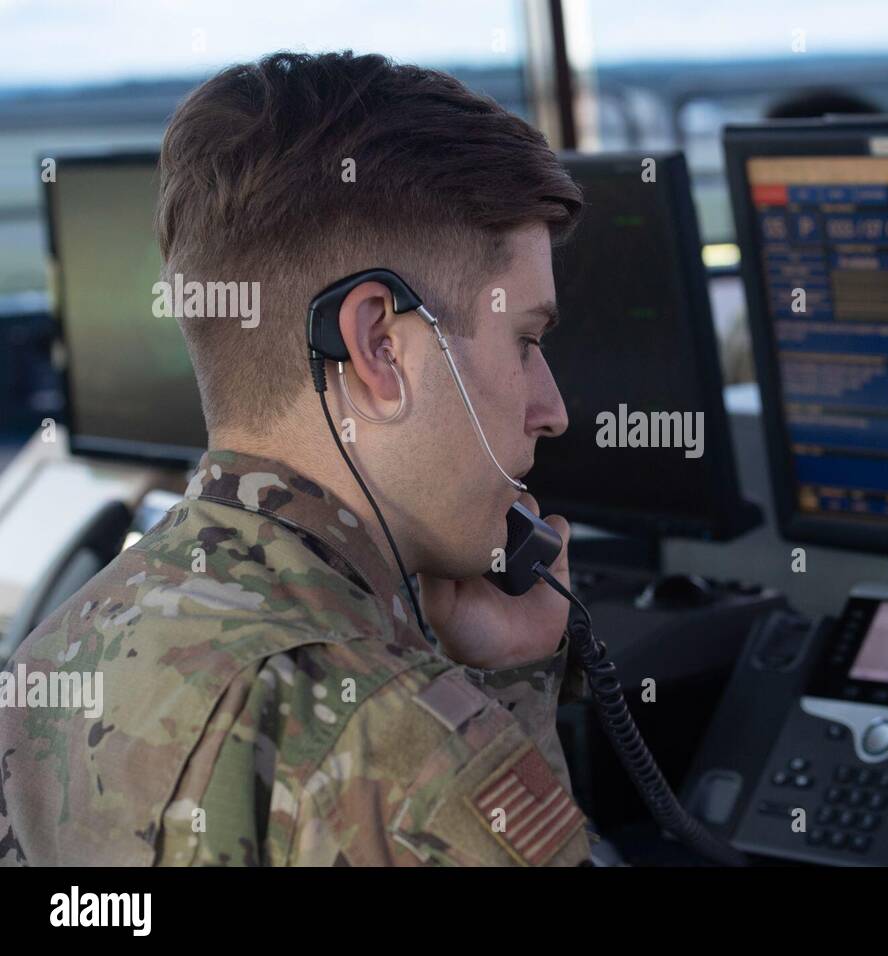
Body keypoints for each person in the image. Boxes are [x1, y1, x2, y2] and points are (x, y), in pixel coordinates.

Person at [0, 51, 594, 866]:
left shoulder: (54, 655)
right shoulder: (401, 753)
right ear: (379, 348)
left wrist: (505, 678)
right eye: (525, 341)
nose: (551, 409)